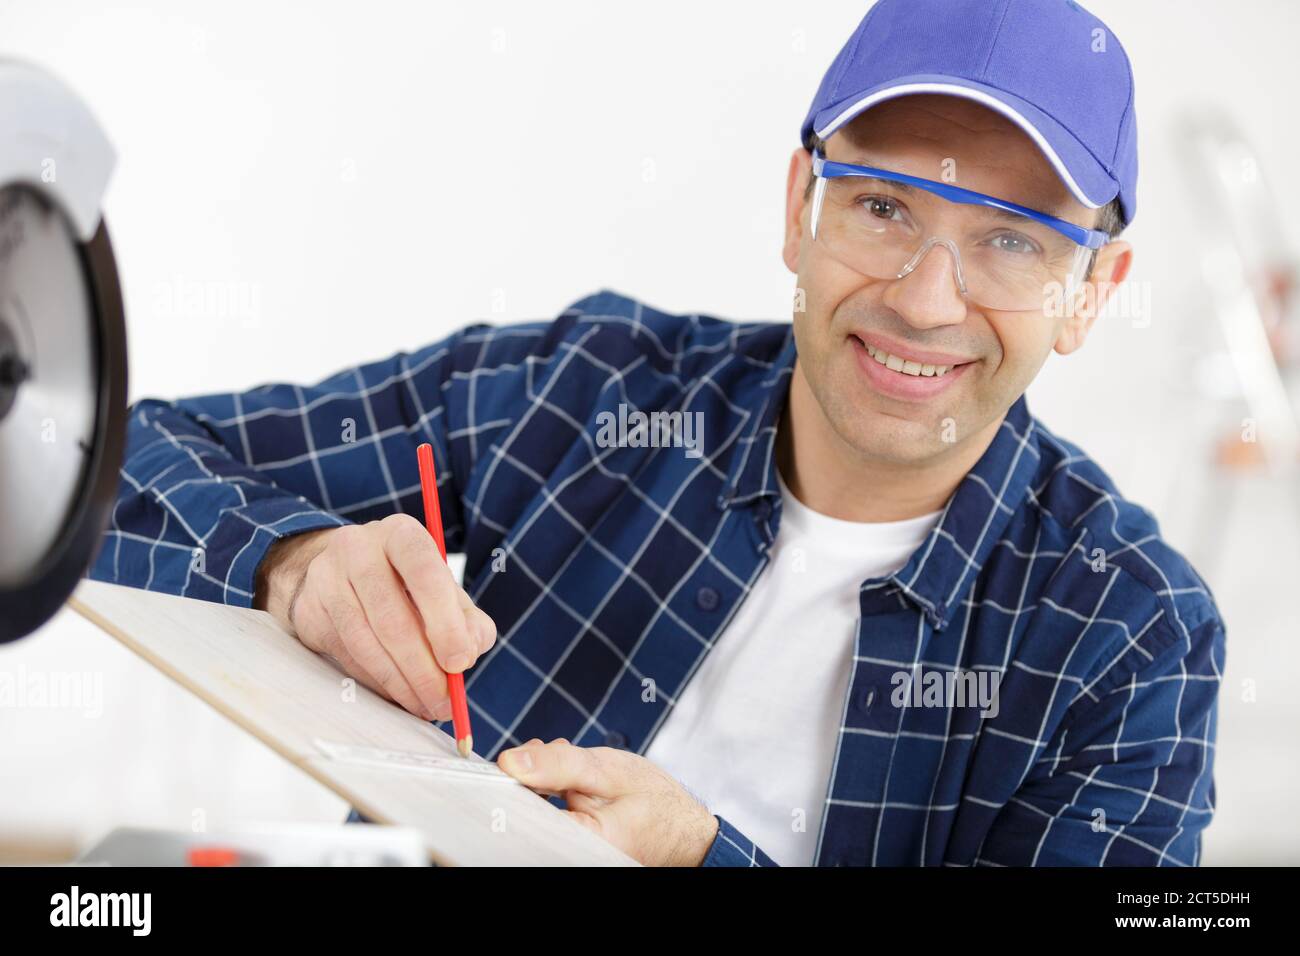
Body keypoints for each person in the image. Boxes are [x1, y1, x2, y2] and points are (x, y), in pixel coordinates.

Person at [94, 0, 1225, 866]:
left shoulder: (1130, 633)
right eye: (883, 206)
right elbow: (94, 465)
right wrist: (290, 561)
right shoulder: (585, 389)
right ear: (800, 208)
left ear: (1091, 291)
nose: (926, 299)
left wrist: (698, 854)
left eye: (1013, 242)